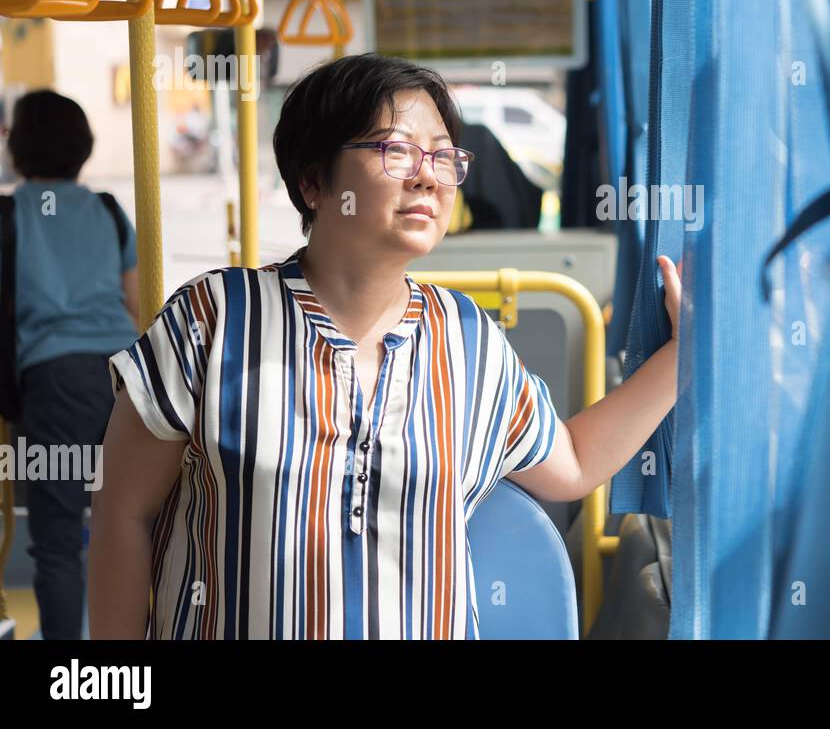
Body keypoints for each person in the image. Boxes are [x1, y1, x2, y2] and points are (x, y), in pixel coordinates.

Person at [89, 54, 683, 639]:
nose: (427, 175)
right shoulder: (214, 321)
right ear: (314, 181)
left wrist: (681, 355)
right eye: (395, 150)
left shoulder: (470, 340)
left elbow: (573, 462)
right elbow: (124, 514)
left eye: (444, 156)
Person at [2, 89, 139, 639]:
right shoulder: (108, 209)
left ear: (16, 145)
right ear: (83, 146)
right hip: (124, 382)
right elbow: (134, 307)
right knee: (126, 524)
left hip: (52, 381)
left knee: (57, 538)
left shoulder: (10, 214)